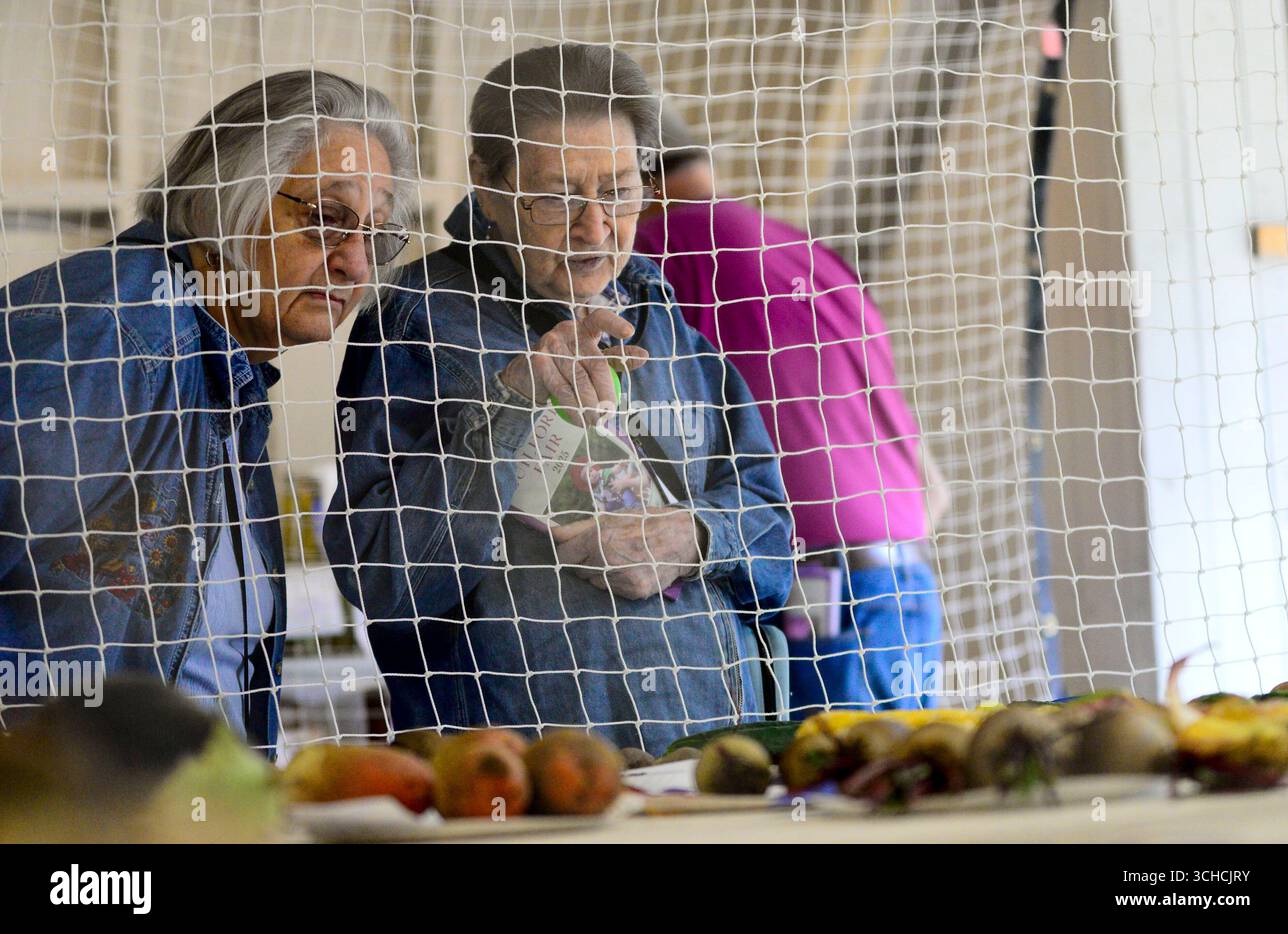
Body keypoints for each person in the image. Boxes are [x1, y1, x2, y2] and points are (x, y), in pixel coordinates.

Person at [324, 43, 794, 754]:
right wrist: (512, 405)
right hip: (521, 780)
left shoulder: (663, 318)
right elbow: (378, 570)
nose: (595, 230)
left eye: (618, 190)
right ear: (486, 184)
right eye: (559, 197)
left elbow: (774, 535)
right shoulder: (415, 322)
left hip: (710, 753)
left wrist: (694, 538)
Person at [0, 70, 416, 751]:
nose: (355, 266)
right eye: (327, 220)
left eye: (375, 235)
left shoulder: (230, 372)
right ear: (228, 199)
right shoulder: (108, 336)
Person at [635, 107, 950, 715]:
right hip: (901, 578)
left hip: (820, 595)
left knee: (822, 786)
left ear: (636, 185)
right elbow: (928, 480)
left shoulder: (662, 248)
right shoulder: (812, 255)